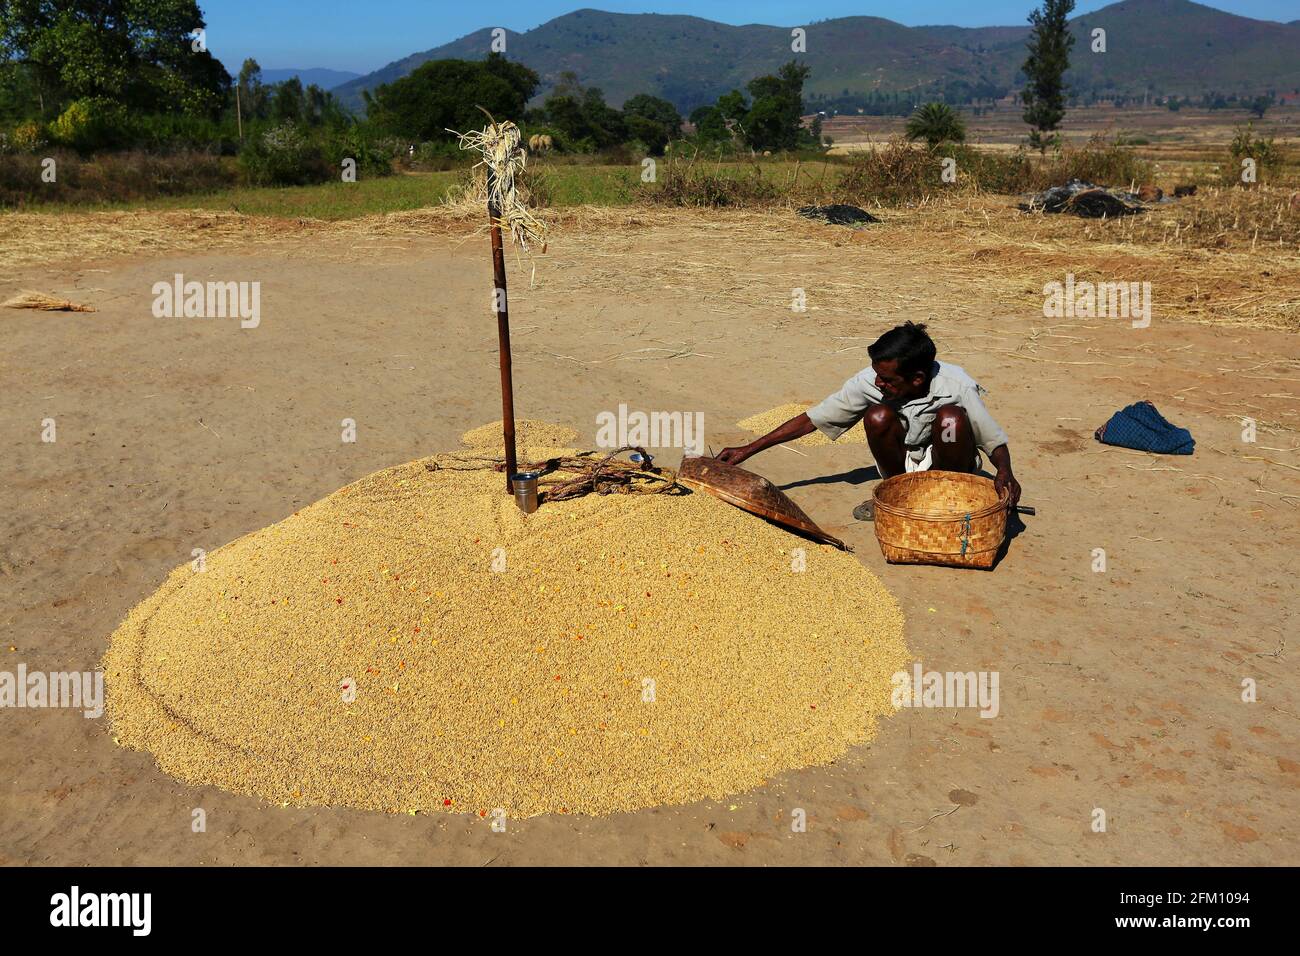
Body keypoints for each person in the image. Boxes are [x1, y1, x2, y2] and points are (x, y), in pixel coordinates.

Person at [717, 322, 1021, 518]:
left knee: (951, 419)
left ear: (917, 378)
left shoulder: (957, 385)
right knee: (877, 415)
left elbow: (991, 438)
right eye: (876, 374)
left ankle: (947, 499)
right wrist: (748, 449)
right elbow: (813, 420)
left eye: (887, 379)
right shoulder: (871, 381)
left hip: (950, 462)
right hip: (905, 464)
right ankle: (895, 496)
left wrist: (1005, 471)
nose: (878, 382)